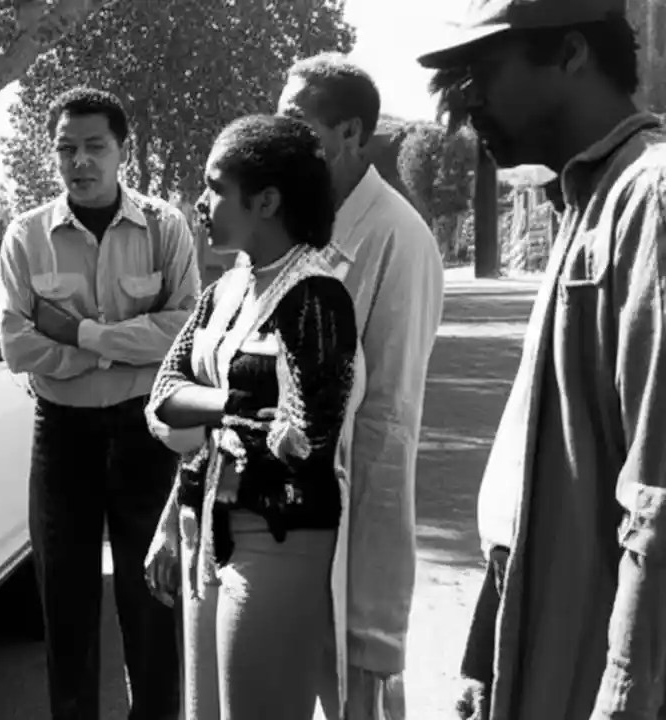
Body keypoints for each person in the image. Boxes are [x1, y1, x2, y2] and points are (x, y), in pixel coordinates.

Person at [417, 1, 666, 718]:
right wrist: (486, 648)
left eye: (485, 72)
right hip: (528, 603)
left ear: (572, 54)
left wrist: (623, 689)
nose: (468, 103)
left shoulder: (647, 198)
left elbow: (657, 495)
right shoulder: (588, 198)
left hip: (591, 649)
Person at [143, 114, 364, 720]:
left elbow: (301, 442)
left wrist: (212, 412)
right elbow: (162, 396)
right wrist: (237, 407)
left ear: (266, 200)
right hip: (203, 526)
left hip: (278, 536)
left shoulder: (317, 297)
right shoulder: (225, 291)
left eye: (215, 187)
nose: (200, 201)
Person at [0, 86, 201, 720]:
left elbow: (186, 329)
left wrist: (81, 334)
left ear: (121, 152)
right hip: (62, 436)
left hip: (145, 434)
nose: (79, 163)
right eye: (65, 149)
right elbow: (18, 345)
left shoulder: (166, 228)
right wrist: (126, 347)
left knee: (154, 597)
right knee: (67, 602)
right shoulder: (27, 237)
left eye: (94, 147)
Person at [276, 53, 446, 720]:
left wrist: (371, 603)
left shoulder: (399, 239)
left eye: (297, 120)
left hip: (349, 527)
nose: (280, 132)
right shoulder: (290, 224)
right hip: (282, 521)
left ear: (347, 132)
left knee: (358, 695)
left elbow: (388, 426)